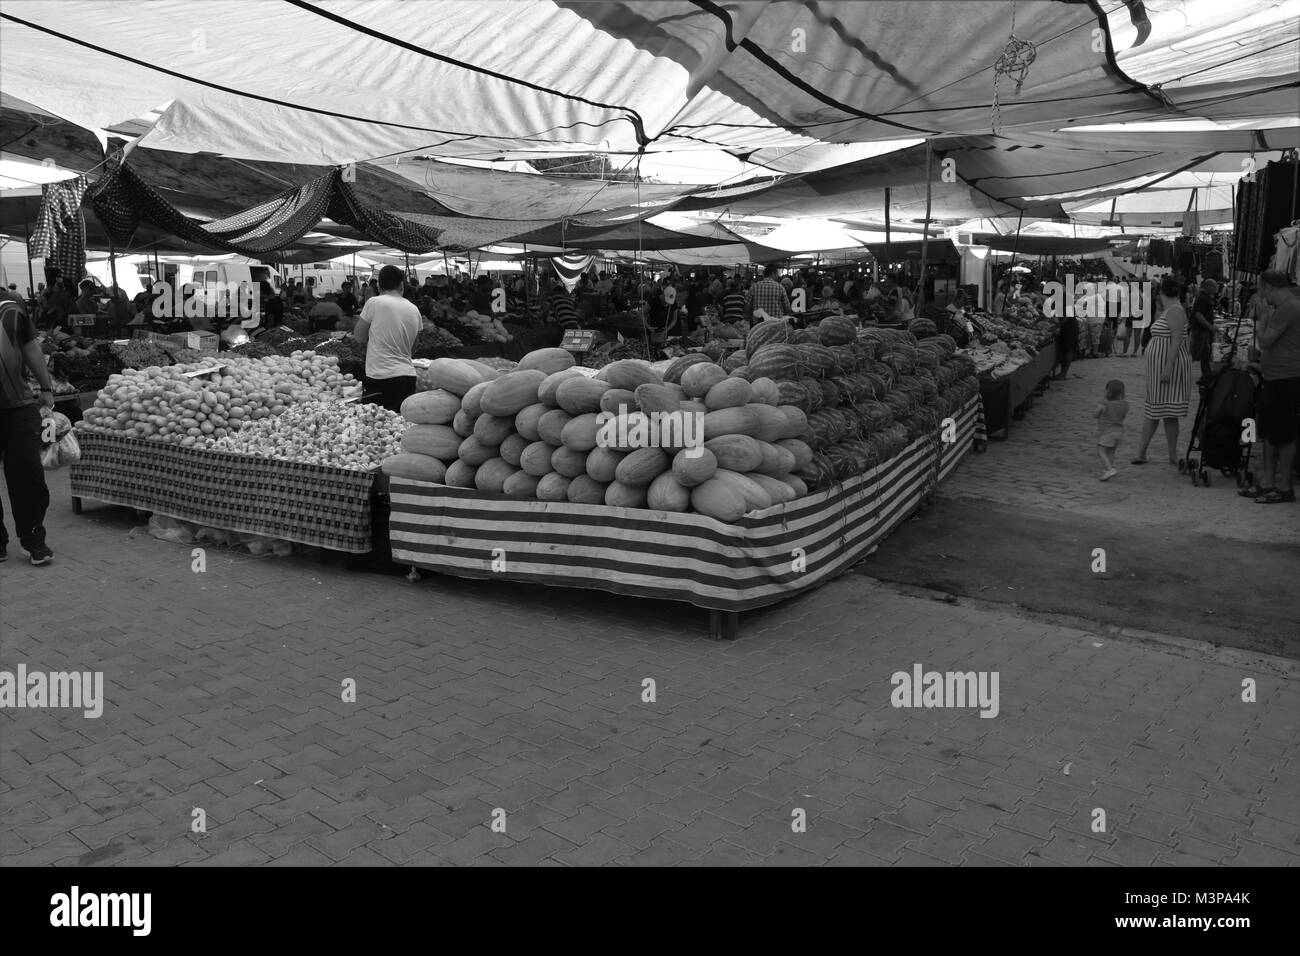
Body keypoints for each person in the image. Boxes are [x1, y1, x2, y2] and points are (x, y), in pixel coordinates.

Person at [0, 296, 56, 564]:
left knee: (29, 476)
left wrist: (45, 386)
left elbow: (30, 346)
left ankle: (33, 539)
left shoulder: (11, 305)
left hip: (18, 406)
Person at [1241, 270, 1300, 504]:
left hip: (1285, 379)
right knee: (1268, 432)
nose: (1261, 295)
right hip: (1276, 377)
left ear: (1268, 287)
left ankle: (1284, 486)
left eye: (1261, 289)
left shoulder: (1288, 308)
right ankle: (1267, 482)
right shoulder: (1289, 306)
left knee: (1283, 434)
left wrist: (1263, 318)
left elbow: (1265, 340)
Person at [1131, 276, 1193, 465]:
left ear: (1160, 292)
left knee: (1164, 410)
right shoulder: (1170, 310)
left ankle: (1154, 453)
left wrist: (1167, 366)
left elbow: (1176, 340)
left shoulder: (1174, 310)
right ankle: (1150, 452)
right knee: (1160, 409)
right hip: (1162, 366)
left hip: (1168, 367)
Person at [352, 264, 420, 413]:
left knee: (376, 429)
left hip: (381, 377)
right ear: (401, 285)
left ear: (379, 285)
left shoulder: (375, 302)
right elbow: (414, 346)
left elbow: (359, 337)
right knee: (400, 427)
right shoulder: (414, 309)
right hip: (408, 377)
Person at [1094, 379, 1129, 481]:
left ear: (1108, 391)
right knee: (1111, 453)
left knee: (1101, 451)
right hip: (1119, 431)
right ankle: (1107, 469)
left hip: (1107, 432)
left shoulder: (1104, 404)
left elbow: (1095, 415)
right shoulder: (1125, 404)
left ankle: (1109, 469)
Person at [1189, 278, 1217, 385]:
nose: (1216, 289)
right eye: (1214, 287)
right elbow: (1198, 315)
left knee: (1205, 354)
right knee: (1197, 352)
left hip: (1202, 330)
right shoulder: (1203, 299)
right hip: (1201, 331)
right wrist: (1210, 327)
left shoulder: (1204, 297)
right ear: (1209, 287)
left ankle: (1206, 375)